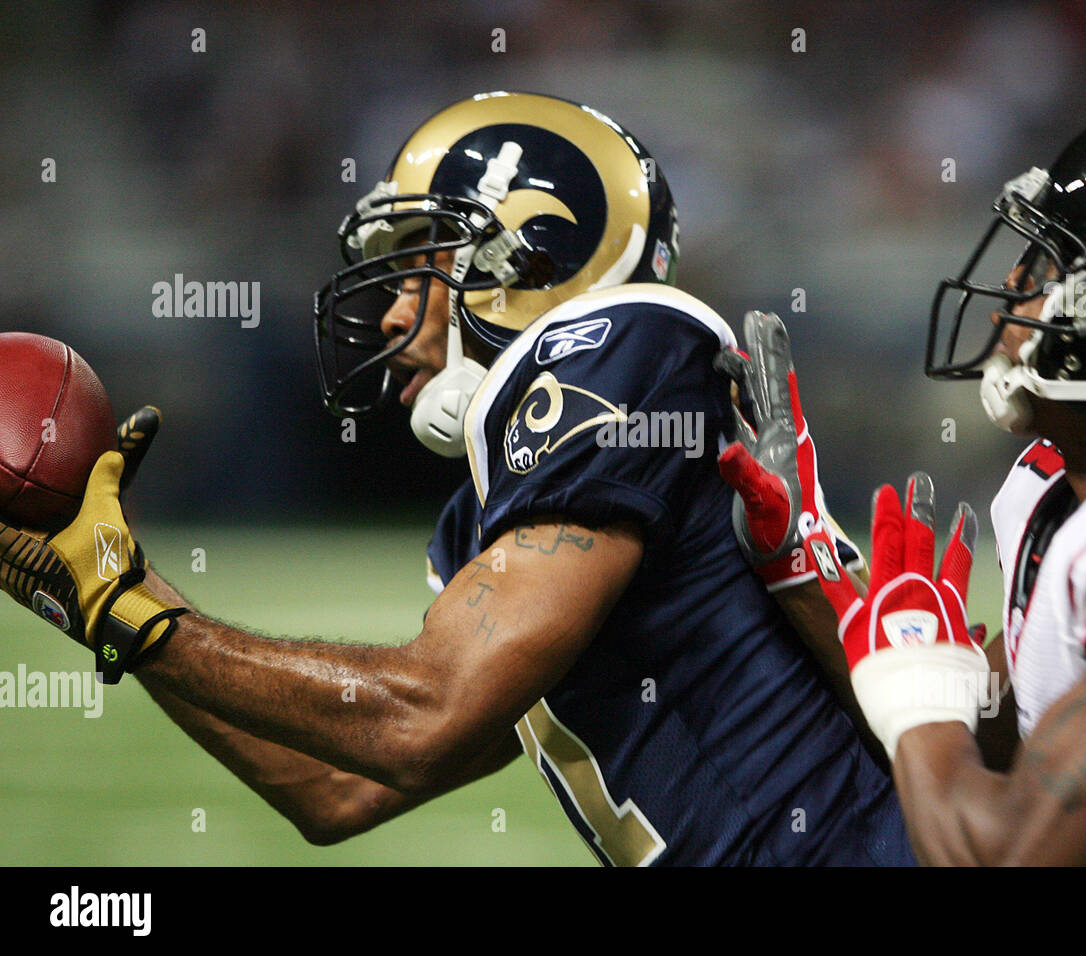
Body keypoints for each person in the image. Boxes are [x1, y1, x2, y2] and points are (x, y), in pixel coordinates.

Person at [0, 91, 913, 866]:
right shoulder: (492, 511)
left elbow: (427, 712)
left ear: (532, 258)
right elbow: (336, 790)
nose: (396, 304)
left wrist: (137, 616)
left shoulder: (627, 342)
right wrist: (110, 589)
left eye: (425, 251)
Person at [719, 99, 1086, 865]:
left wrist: (922, 701)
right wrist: (810, 568)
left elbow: (1016, 854)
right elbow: (1001, 747)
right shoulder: (1067, 486)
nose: (1014, 285)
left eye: (1050, 266)